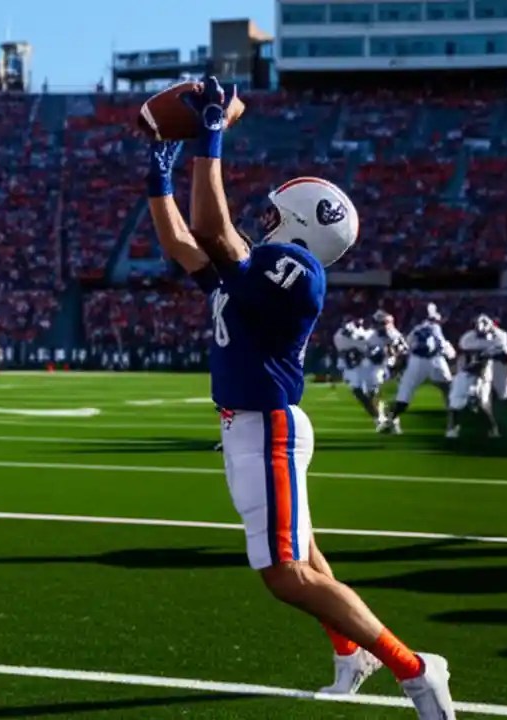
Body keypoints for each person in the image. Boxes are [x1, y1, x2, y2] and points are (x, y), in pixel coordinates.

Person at [143, 77, 455, 719]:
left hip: (269, 426)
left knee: (285, 574)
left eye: (279, 212)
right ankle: (351, 654)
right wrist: (157, 176)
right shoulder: (260, 272)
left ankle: (418, 670)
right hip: (248, 426)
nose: (265, 217)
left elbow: (211, 225)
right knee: (306, 556)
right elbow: (183, 243)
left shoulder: (299, 273)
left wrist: (211, 132)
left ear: (308, 223)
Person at [379, 303, 455, 435]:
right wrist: (449, 351)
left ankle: (390, 420)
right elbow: (441, 346)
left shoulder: (416, 329)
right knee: (449, 393)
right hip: (434, 360)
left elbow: (408, 346)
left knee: (403, 398)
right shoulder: (434, 328)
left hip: (417, 361)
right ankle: (452, 427)